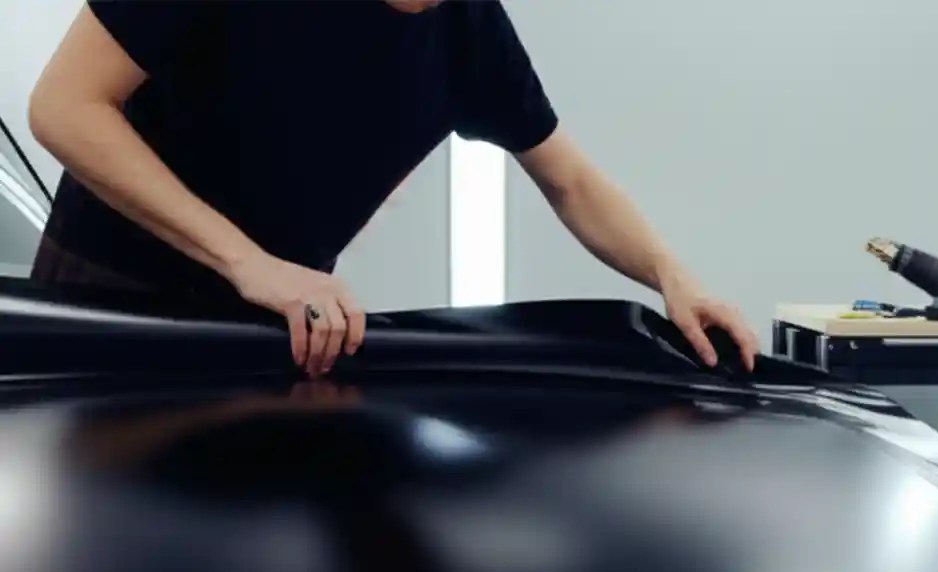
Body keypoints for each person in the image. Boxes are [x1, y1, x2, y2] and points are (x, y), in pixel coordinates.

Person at [27, 0, 758, 378]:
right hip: (110, 314)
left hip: (281, 333)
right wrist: (248, 262)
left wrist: (673, 277)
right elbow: (63, 105)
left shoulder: (469, 28)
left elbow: (569, 180)